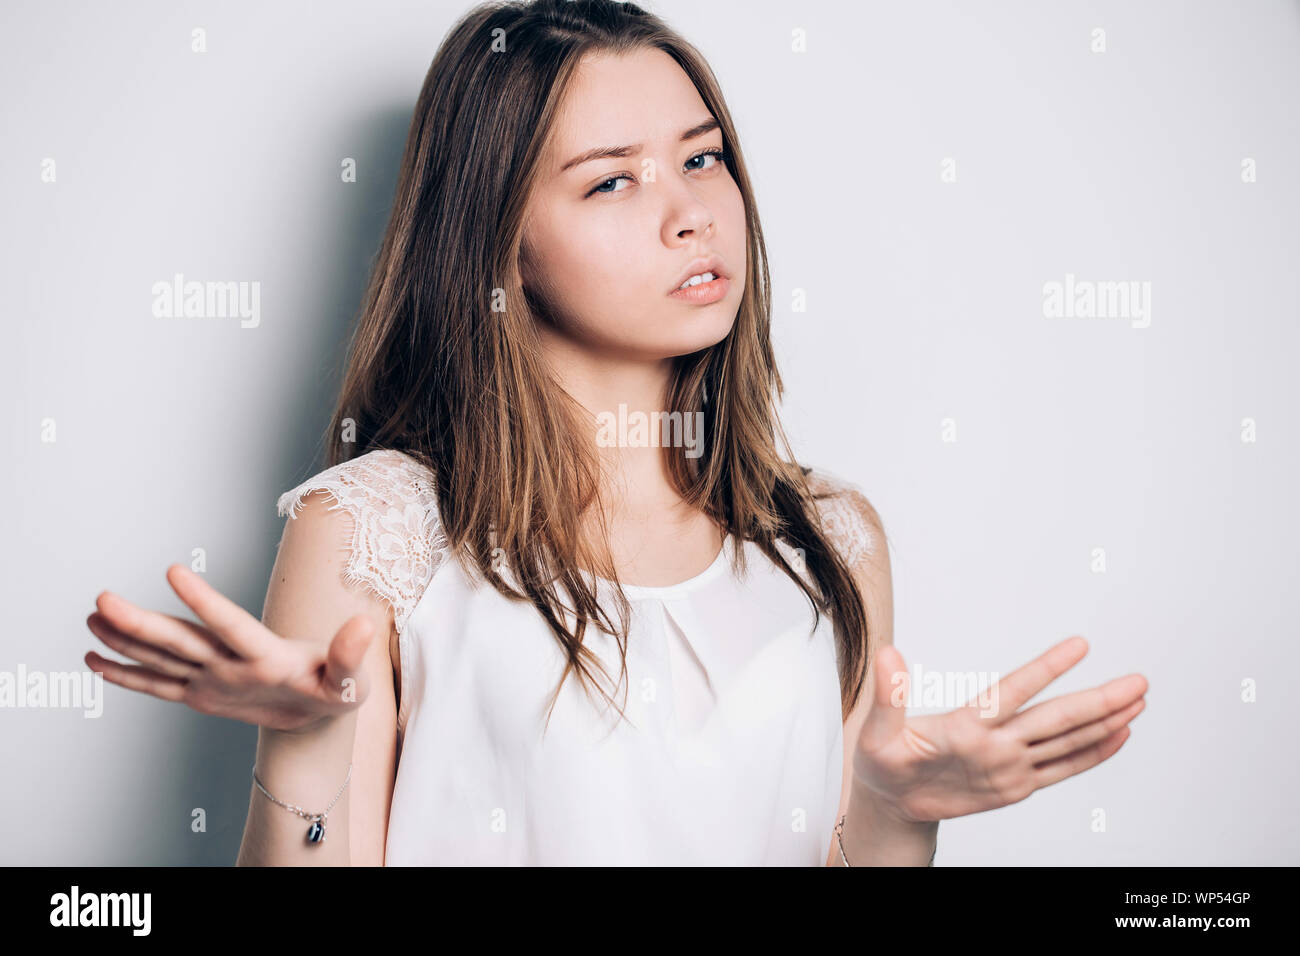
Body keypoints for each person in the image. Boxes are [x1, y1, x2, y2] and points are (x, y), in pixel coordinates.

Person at [83, 0, 1147, 866]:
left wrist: (898, 813)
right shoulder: (374, 527)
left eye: (703, 157)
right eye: (611, 178)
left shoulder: (830, 539)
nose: (693, 211)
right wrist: (307, 745)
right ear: (499, 243)